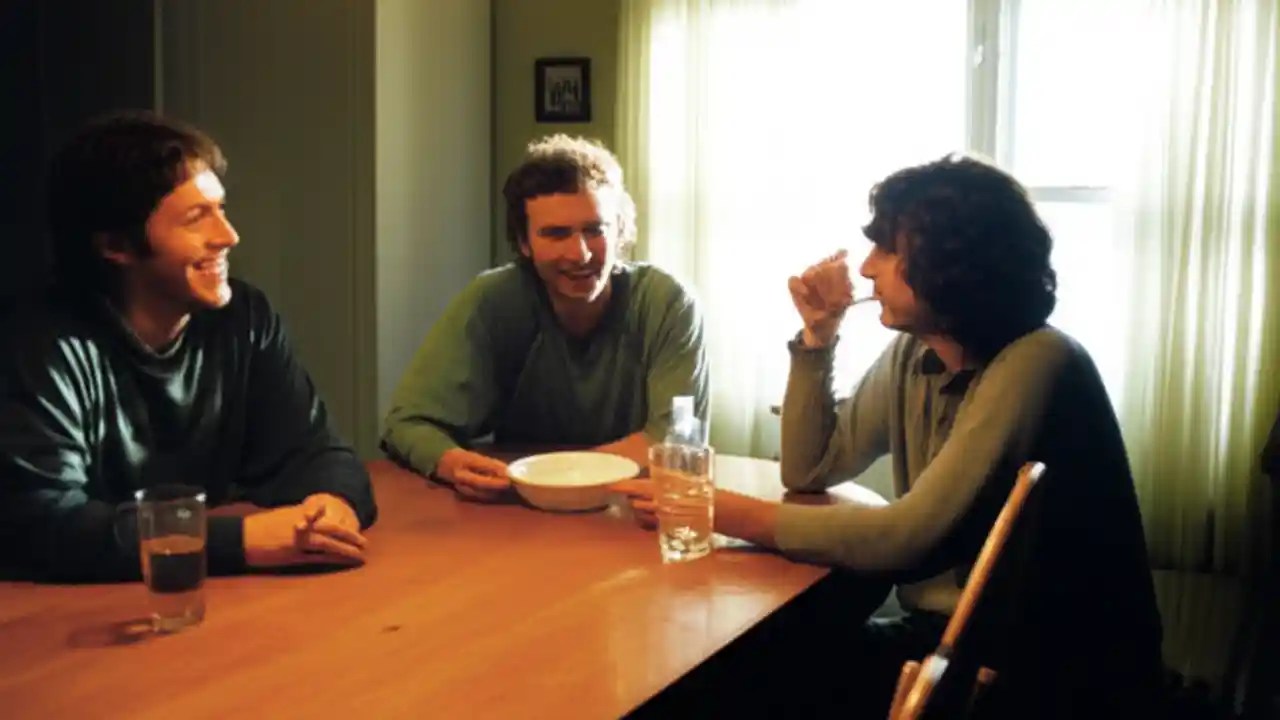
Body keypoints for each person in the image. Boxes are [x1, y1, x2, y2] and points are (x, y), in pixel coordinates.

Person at [615, 155, 1163, 716]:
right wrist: (818, 337)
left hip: (1047, 675)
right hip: (948, 641)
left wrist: (710, 508)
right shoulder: (917, 351)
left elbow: (906, 537)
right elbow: (810, 467)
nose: (868, 268)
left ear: (952, 262)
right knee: (745, 662)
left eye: (887, 250)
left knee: (740, 676)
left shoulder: (1040, 360)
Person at [0, 111, 377, 582]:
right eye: (197, 218)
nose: (228, 235)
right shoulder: (40, 345)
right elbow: (42, 524)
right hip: (71, 622)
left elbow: (317, 452)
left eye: (221, 209)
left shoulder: (243, 318)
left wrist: (331, 505)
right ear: (116, 245)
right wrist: (241, 540)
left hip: (209, 605)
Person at [382, 135, 708, 500]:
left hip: (631, 510)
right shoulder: (494, 300)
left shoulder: (667, 303)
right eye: (556, 234)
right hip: (517, 511)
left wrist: (562, 478)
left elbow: (674, 441)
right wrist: (452, 462)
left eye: (595, 230)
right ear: (524, 243)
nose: (580, 253)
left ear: (620, 231)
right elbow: (408, 422)